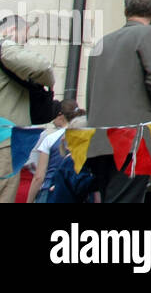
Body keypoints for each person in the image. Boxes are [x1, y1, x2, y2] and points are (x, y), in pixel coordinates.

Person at [85, 0, 151, 203]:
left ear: (125, 9)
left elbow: (90, 95)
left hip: (100, 140)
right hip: (134, 138)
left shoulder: (102, 43)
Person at [0, 16, 56, 203]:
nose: (26, 42)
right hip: (4, 143)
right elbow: (41, 67)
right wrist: (48, 82)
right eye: (25, 38)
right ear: (12, 29)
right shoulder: (5, 45)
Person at [26, 100, 89, 204]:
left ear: (60, 115)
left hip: (49, 190)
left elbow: (39, 176)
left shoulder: (51, 138)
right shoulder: (85, 135)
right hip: (78, 191)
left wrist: (29, 201)